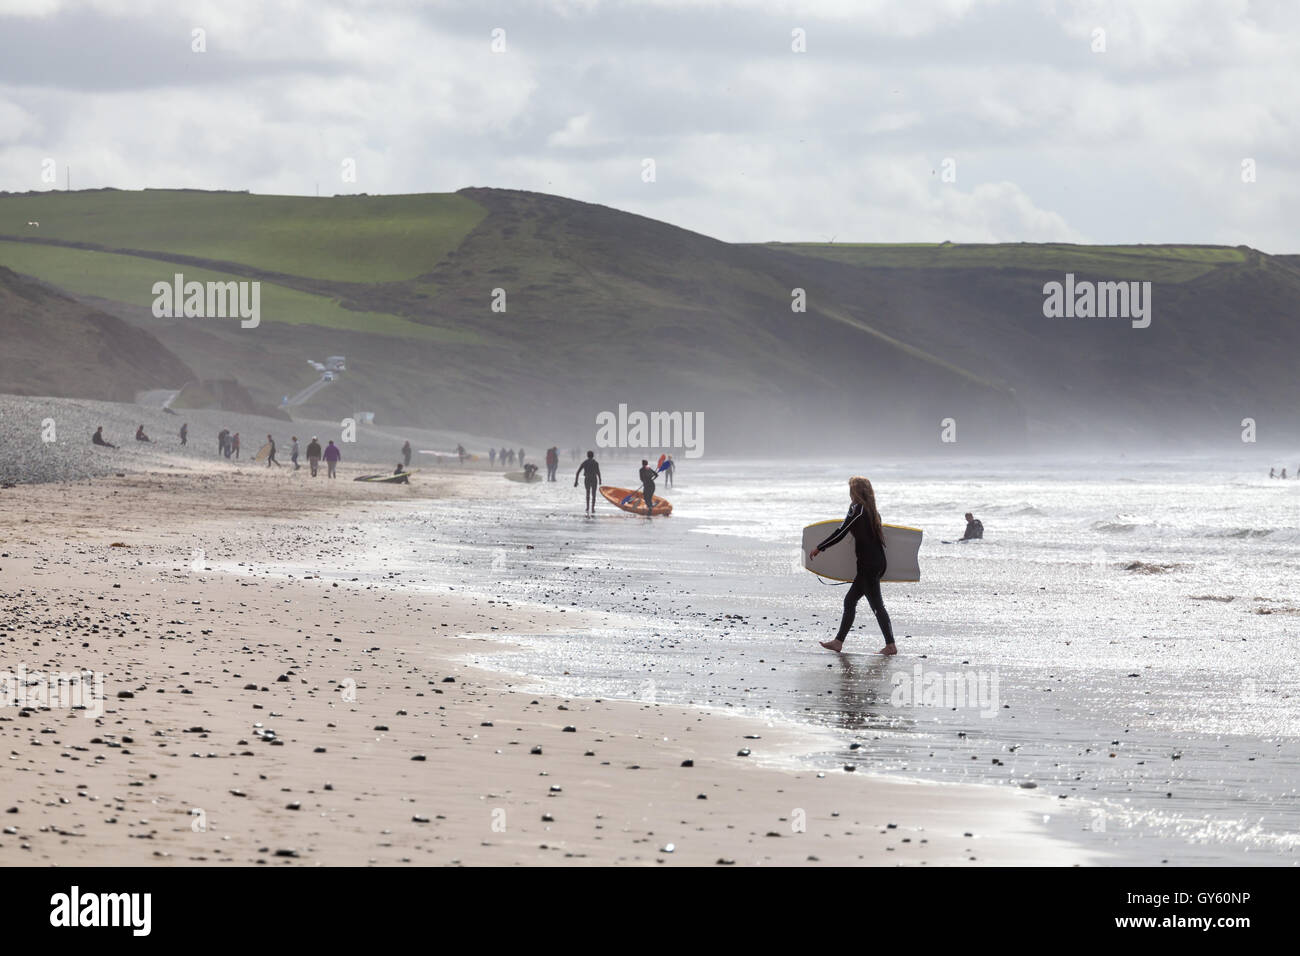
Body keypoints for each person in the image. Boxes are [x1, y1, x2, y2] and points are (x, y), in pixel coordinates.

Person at [809, 476, 896, 655]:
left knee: (877, 605)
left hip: (868, 565)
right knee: (850, 601)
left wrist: (820, 547)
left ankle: (890, 645)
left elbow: (841, 532)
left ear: (855, 491)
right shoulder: (873, 511)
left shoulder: (857, 509)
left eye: (851, 488)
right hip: (877, 562)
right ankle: (838, 642)